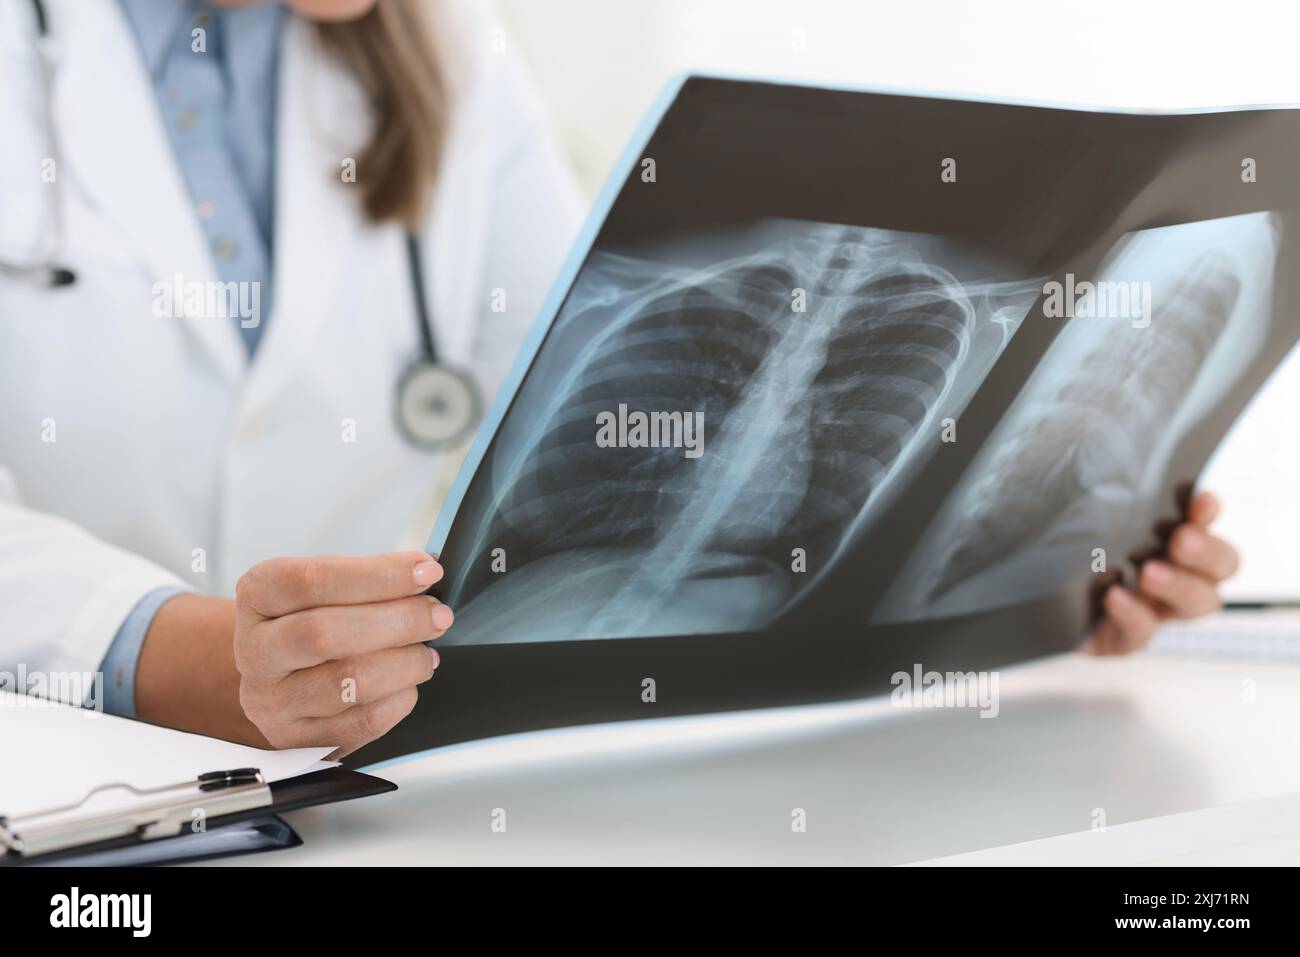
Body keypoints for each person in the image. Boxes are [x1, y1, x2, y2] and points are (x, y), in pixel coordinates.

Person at [0, 0, 1240, 758]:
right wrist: (191, 658)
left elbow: (603, 417)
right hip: (67, 797)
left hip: (349, 788)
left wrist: (1053, 554)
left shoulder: (437, 47)